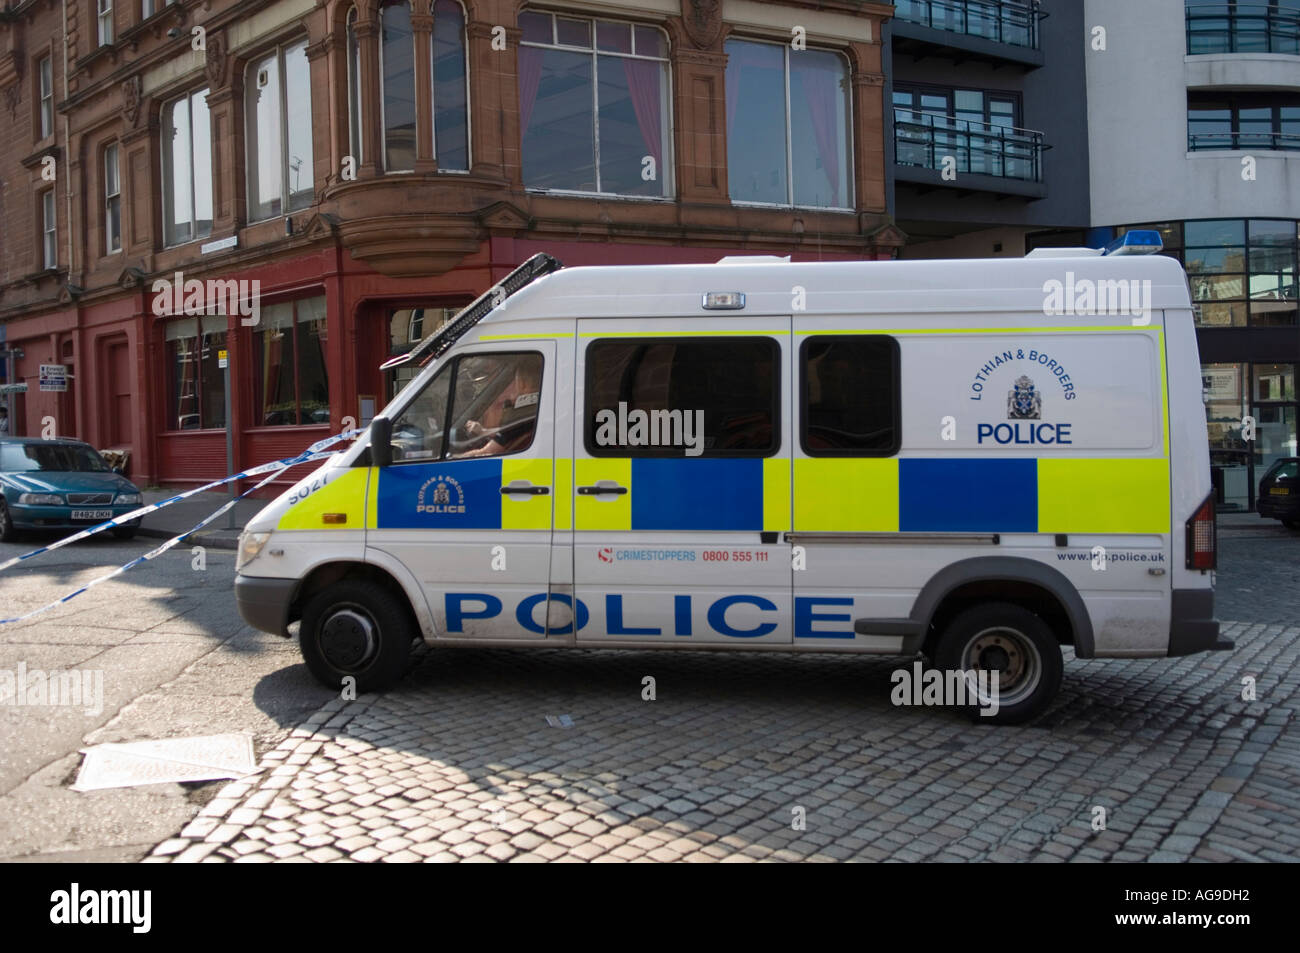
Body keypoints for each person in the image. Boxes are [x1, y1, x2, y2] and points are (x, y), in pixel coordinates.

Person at [456, 359, 542, 458]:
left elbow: (485, 452)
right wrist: (483, 431)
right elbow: (509, 432)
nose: (511, 396)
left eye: (515, 380)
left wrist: (454, 458)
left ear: (522, 383)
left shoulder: (522, 413)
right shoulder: (536, 409)